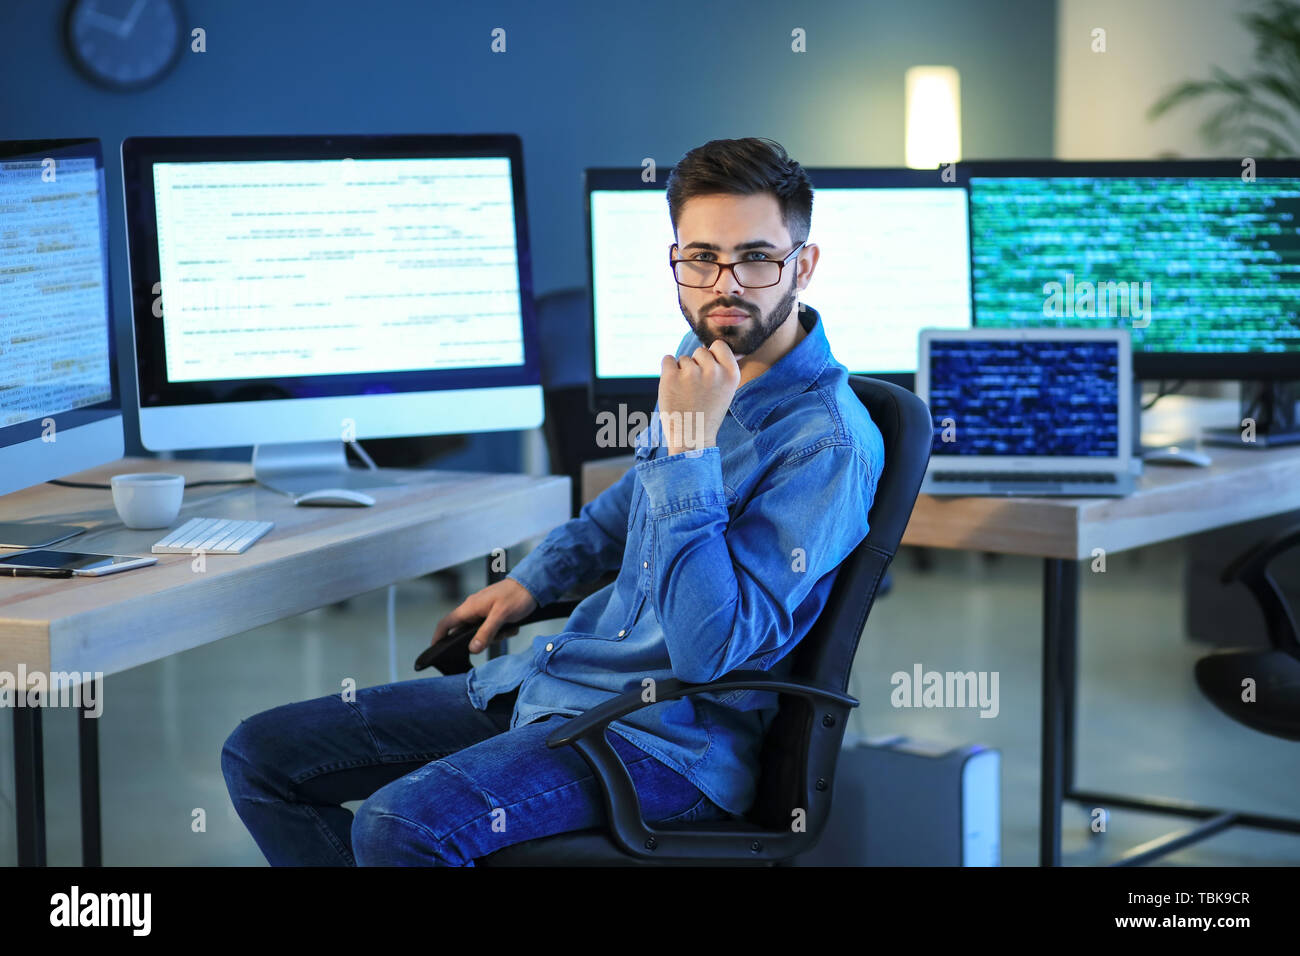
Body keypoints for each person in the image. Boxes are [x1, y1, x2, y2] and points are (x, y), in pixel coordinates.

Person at [221, 136, 885, 865]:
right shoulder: (712, 366)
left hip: (666, 740)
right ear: (677, 259)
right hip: (566, 682)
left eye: (757, 257)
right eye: (701, 257)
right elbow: (630, 503)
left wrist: (690, 444)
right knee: (260, 756)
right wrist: (532, 580)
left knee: (396, 826)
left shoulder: (827, 446)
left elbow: (708, 654)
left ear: (804, 264)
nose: (725, 284)